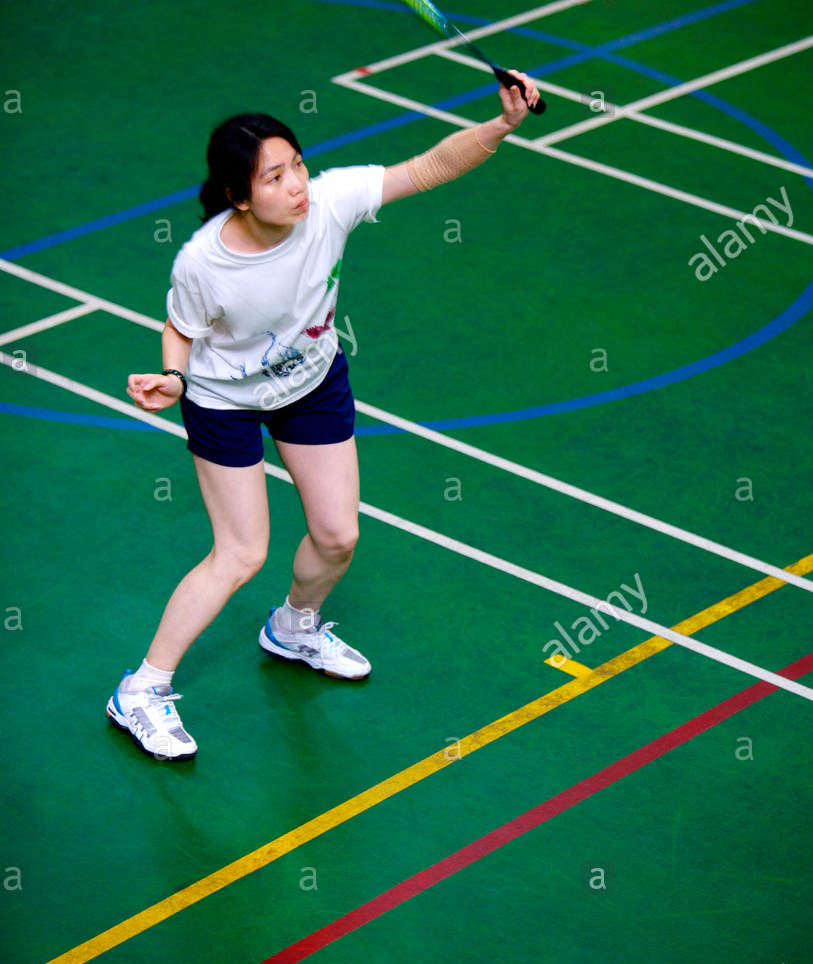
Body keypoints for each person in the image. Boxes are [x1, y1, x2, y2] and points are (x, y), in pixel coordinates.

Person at [107, 72, 541, 760]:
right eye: (274, 177)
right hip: (225, 399)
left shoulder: (331, 204)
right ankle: (142, 690)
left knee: (339, 535)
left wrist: (502, 126)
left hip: (311, 381)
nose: (297, 185)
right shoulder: (205, 264)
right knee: (240, 552)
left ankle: (294, 627)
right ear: (237, 195)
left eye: (298, 165)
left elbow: (428, 168)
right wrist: (173, 377)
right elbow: (179, 329)